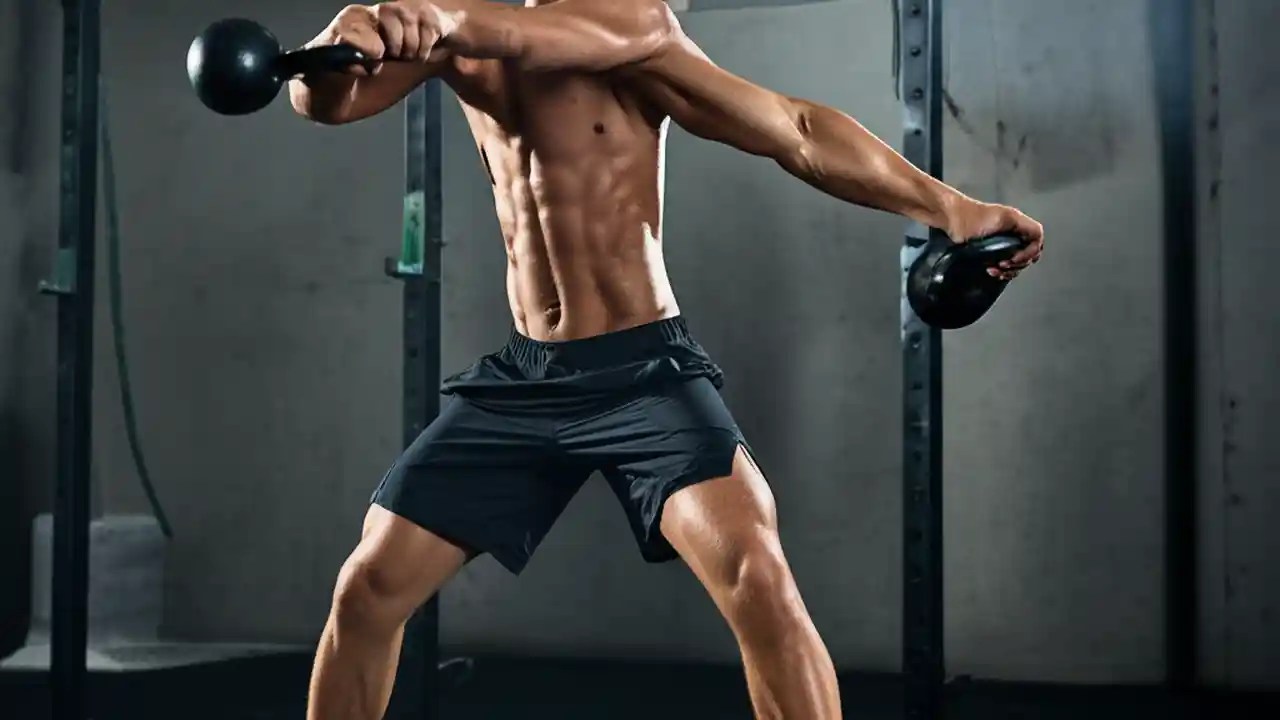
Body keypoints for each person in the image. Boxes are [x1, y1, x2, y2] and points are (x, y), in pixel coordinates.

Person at [288, 1, 1044, 718]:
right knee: (368, 588)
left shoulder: (631, 22)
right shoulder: (458, 39)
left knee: (757, 578)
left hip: (641, 373)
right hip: (528, 378)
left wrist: (952, 209)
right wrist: (343, 39)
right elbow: (325, 105)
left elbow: (798, 130)